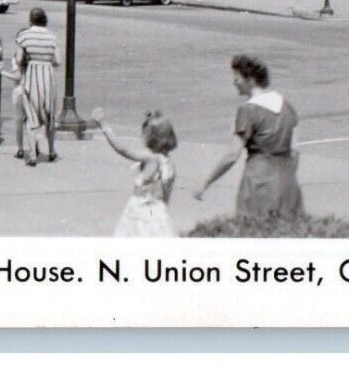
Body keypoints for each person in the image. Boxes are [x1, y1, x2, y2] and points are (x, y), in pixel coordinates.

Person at [196, 54, 303, 219]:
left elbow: (232, 155)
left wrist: (206, 182)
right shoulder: (286, 106)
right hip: (288, 182)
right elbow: (295, 151)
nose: (234, 82)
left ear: (250, 80)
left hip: (258, 181)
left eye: (237, 77)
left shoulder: (248, 111)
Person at [91, 107, 179, 237]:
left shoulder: (150, 158)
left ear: (151, 137)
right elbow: (166, 196)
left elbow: (123, 150)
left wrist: (104, 125)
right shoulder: (169, 165)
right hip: (157, 211)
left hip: (141, 209)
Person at [11, 7, 60, 166]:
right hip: (48, 78)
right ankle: (51, 151)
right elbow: (57, 61)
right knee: (49, 116)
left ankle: (32, 155)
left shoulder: (24, 36)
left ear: (30, 20)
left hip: (31, 77)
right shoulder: (52, 37)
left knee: (31, 118)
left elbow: (19, 59)